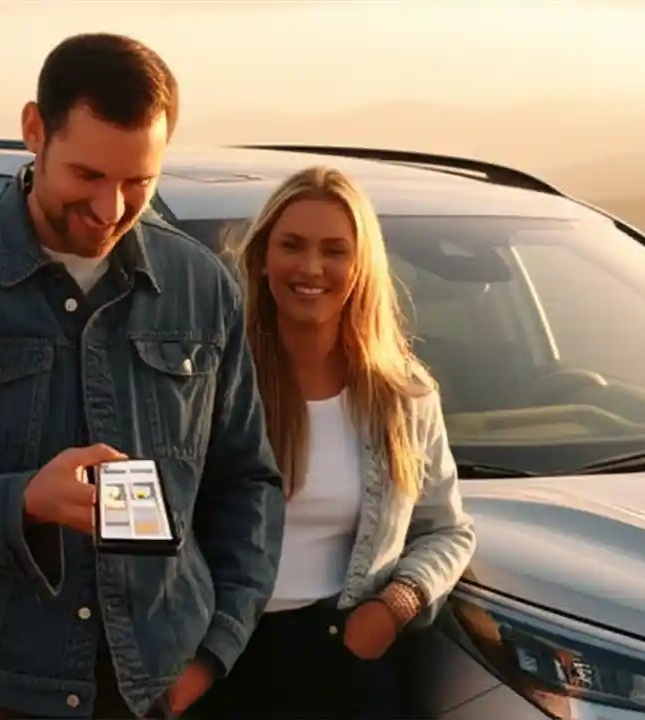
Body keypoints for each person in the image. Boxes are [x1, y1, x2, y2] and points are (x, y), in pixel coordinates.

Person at [0, 33, 286, 719]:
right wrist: (21, 502)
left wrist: (213, 652)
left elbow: (247, 483)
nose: (111, 208)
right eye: (88, 175)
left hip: (157, 690)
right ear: (33, 131)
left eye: (138, 183)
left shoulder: (203, 287)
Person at [189, 166, 478, 719]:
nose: (311, 267)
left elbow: (448, 530)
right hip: (218, 662)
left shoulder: (403, 396)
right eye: (292, 245)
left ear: (361, 264)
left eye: (334, 250)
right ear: (262, 257)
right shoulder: (210, 384)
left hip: (346, 666)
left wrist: (397, 604)